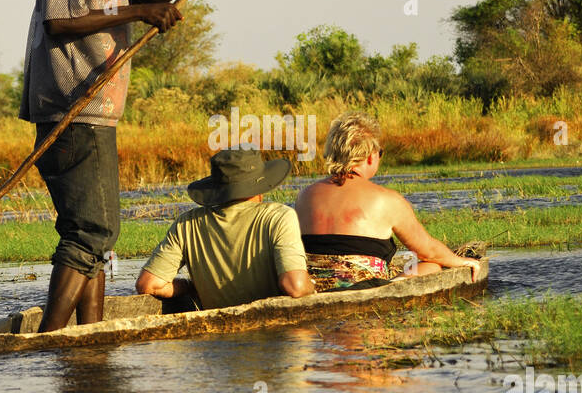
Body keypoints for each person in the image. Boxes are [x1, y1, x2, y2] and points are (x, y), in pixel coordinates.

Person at [22, 0, 243, 330]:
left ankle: (92, 339)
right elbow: (58, 20)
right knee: (93, 230)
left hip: (95, 110)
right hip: (73, 107)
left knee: (95, 236)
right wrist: (140, 14)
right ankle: (51, 339)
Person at [295, 111, 484, 292]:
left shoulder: (305, 195)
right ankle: (390, 284)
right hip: (366, 286)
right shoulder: (387, 199)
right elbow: (428, 251)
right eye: (380, 153)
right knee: (431, 266)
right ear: (371, 156)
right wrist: (462, 261)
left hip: (314, 287)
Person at [137, 149, 314, 309]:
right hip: (270, 331)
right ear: (260, 187)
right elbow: (296, 287)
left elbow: (149, 284)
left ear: (217, 189)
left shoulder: (187, 223)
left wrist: (189, 286)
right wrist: (311, 286)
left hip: (215, 333)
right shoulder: (279, 216)